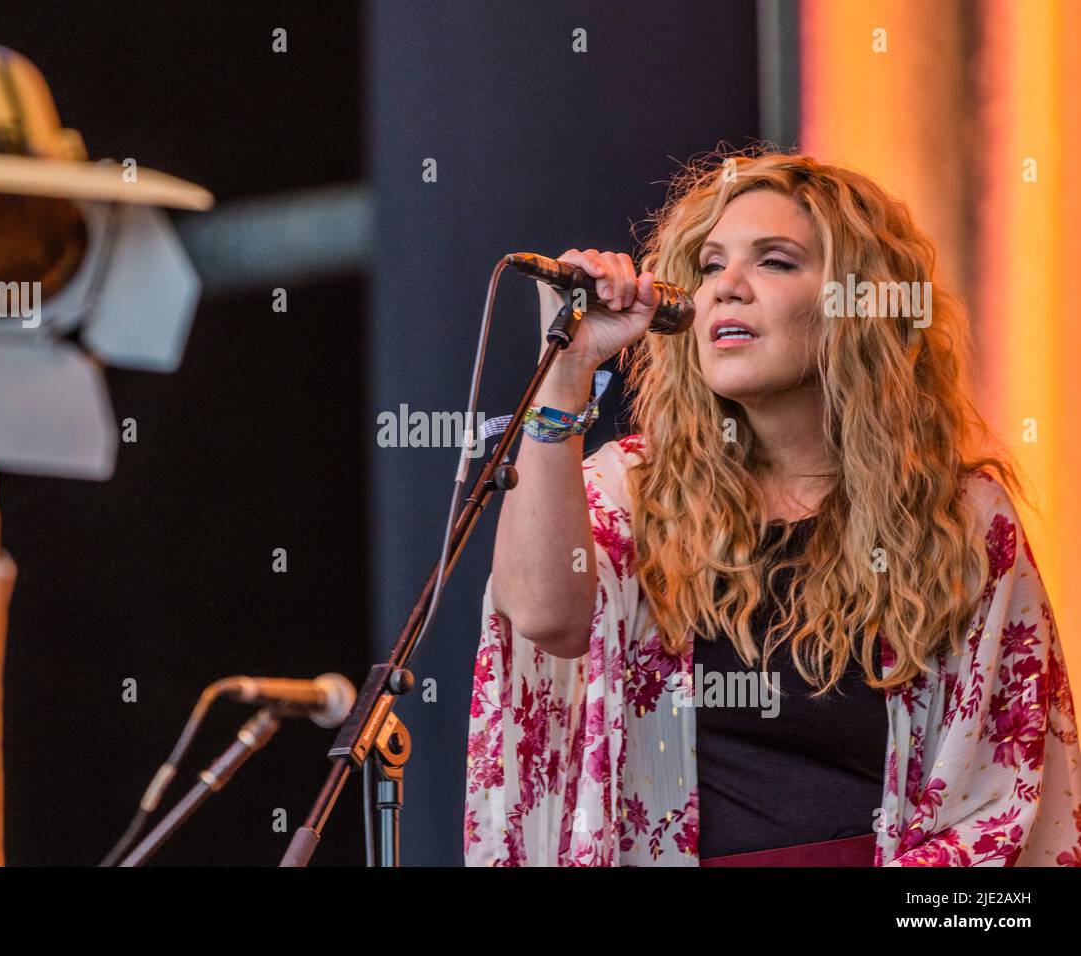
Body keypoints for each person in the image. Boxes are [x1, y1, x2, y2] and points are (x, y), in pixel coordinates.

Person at [463, 148, 1081, 866]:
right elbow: (541, 619)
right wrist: (565, 376)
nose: (725, 287)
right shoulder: (632, 491)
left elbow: (1008, 802)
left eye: (775, 262)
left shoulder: (961, 519)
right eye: (708, 265)